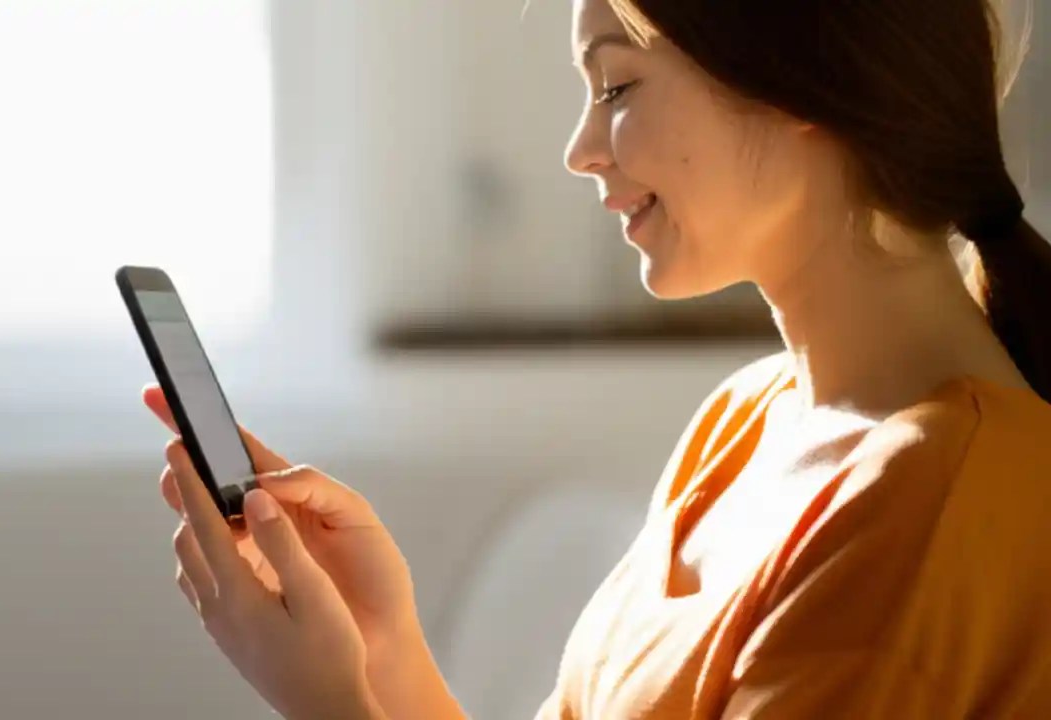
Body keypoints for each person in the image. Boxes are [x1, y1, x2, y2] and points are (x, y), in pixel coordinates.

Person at [144, 0, 1051, 716]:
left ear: (803, 86)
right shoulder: (746, 420)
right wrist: (383, 651)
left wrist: (331, 707)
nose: (579, 152)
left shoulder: (940, 493)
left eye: (615, 88)